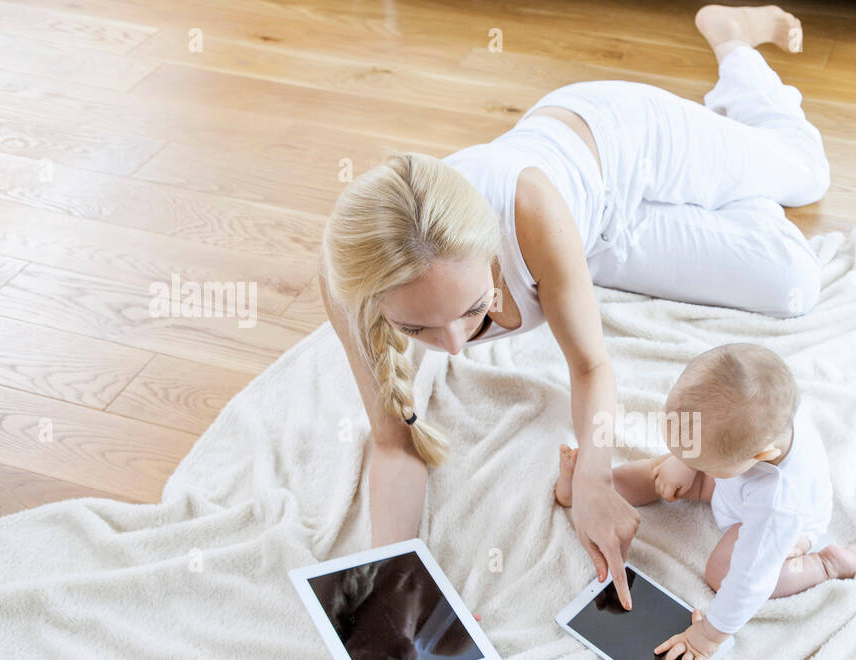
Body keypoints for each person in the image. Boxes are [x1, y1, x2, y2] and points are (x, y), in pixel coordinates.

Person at [318, 5, 830, 610]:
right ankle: (716, 201)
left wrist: (593, 475)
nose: (456, 347)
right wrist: (391, 577)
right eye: (416, 328)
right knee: (788, 275)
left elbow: (591, 368)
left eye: (474, 309)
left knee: (804, 183)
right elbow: (391, 441)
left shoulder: (527, 207)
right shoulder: (348, 279)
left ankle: (733, 42)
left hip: (628, 142)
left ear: (494, 252)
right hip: (588, 239)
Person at [555, 343, 856, 660]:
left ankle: (825, 564)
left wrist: (708, 636)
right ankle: (586, 489)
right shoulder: (750, 425)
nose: (684, 457)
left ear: (759, 455)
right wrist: (683, 464)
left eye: (695, 457)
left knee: (723, 572)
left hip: (781, 526)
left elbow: (750, 581)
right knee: (659, 473)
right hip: (731, 483)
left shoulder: (778, 506)